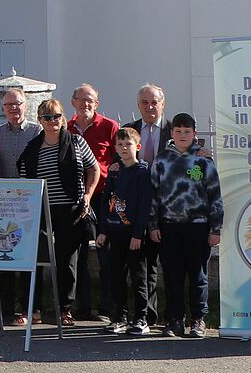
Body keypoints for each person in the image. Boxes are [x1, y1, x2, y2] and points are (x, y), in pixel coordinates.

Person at [19, 96, 98, 329]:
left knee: (67, 262)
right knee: (32, 259)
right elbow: (24, 178)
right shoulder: (33, 147)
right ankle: (31, 309)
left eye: (56, 116)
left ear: (62, 118)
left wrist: (88, 196)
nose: (52, 121)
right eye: (47, 117)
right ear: (40, 120)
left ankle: (65, 309)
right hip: (40, 210)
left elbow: (94, 169)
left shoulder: (76, 142)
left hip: (71, 209)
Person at [147, 112, 222, 339]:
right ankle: (174, 320)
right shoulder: (162, 160)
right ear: (171, 134)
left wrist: (215, 228)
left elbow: (215, 196)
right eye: (178, 131)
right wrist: (153, 225)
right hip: (170, 226)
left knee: (198, 275)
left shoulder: (204, 161)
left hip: (198, 226)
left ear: (194, 134)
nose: (182, 135)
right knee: (172, 275)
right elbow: (153, 195)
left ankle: (198, 319)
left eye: (187, 132)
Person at [95, 127, 153, 335]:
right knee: (115, 277)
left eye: (127, 144)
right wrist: (103, 230)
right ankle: (120, 317)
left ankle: (141, 318)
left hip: (133, 235)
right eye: (119, 144)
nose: (123, 148)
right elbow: (105, 201)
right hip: (114, 232)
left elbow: (145, 205)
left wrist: (138, 234)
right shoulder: (114, 172)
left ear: (137, 147)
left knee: (138, 278)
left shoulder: (142, 173)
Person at [69, 83, 119, 322]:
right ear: (73, 102)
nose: (85, 104)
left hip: (102, 198)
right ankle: (81, 306)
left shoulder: (110, 127)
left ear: (96, 104)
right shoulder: (65, 128)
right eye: (81, 100)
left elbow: (120, 161)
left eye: (90, 100)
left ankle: (107, 308)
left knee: (105, 252)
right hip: (75, 198)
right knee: (77, 253)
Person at [123, 84, 168, 327]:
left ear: (163, 104)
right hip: (139, 208)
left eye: (154, 102)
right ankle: (148, 316)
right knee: (145, 266)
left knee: (170, 267)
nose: (149, 107)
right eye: (144, 102)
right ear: (138, 104)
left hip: (169, 208)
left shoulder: (176, 131)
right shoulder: (128, 132)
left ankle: (174, 319)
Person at [0, 89, 35, 322]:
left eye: (17, 104)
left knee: (28, 259)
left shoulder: (37, 132)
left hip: (30, 204)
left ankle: (28, 309)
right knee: (4, 253)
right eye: (8, 105)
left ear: (25, 105)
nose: (13, 109)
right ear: (3, 108)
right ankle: (5, 308)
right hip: (4, 206)